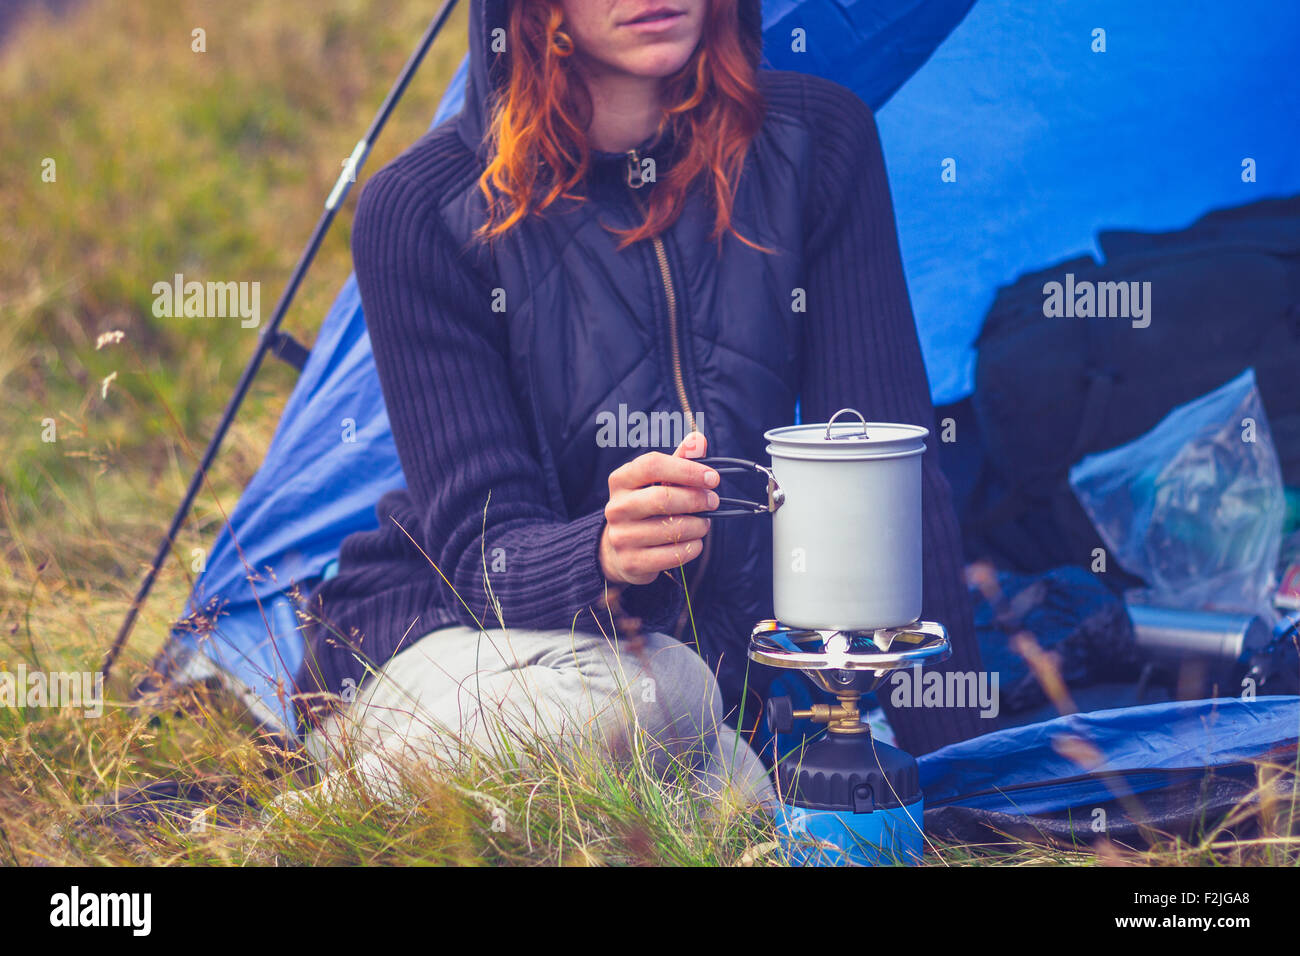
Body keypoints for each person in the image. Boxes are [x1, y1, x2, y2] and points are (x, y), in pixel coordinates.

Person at [294, 0, 987, 807]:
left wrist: (969, 778)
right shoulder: (422, 208)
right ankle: (296, 828)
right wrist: (602, 551)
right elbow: (486, 554)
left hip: (694, 697)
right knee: (660, 700)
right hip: (449, 643)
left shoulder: (816, 144)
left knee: (749, 793)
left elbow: (893, 479)